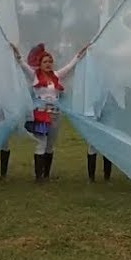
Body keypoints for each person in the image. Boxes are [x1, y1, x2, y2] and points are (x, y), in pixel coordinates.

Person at [11, 42, 89, 182]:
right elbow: (21, 63)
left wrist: (81, 53)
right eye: (45, 61)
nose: (48, 64)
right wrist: (16, 51)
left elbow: (71, 66)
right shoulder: (34, 75)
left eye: (50, 61)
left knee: (50, 144)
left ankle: (46, 175)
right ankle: (39, 177)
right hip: (40, 114)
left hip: (55, 114)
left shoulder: (56, 76)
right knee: (41, 142)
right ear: (40, 63)